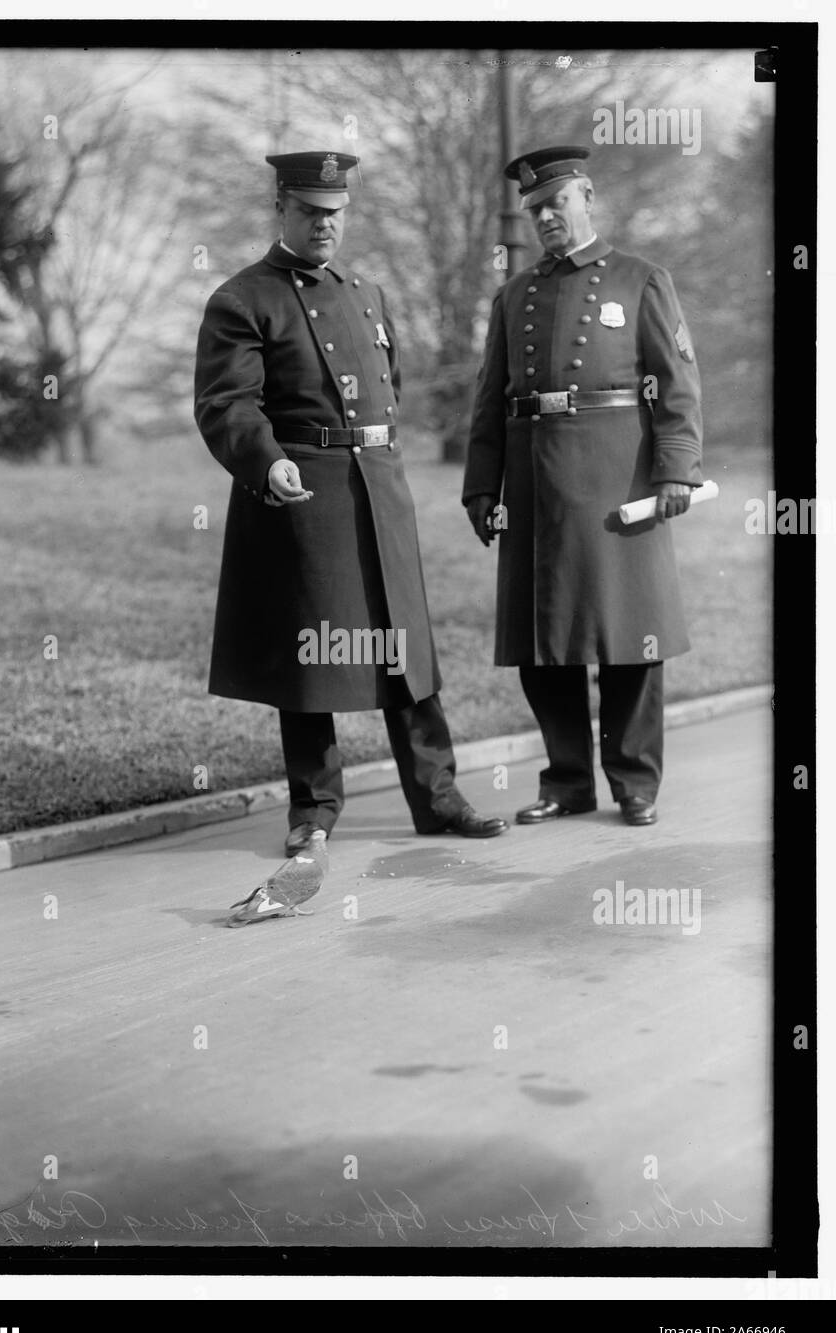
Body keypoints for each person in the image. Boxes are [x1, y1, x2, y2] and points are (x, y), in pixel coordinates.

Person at [195, 150, 507, 856]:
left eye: (335, 213)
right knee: (310, 657)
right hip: (304, 494)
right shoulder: (243, 300)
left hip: (380, 487)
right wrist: (267, 463)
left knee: (406, 650)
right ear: (280, 209)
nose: (324, 225)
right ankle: (312, 812)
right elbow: (226, 405)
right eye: (309, 212)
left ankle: (438, 797)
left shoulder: (366, 291)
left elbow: (386, 384)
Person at [463, 146, 703, 827]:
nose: (545, 219)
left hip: (617, 481)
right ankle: (567, 780)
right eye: (534, 210)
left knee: (631, 639)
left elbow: (679, 390)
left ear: (587, 198)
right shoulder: (513, 298)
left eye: (556, 204)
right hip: (536, 488)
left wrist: (677, 470)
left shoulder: (642, 279)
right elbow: (489, 401)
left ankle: (635, 782)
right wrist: (482, 490)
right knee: (546, 644)